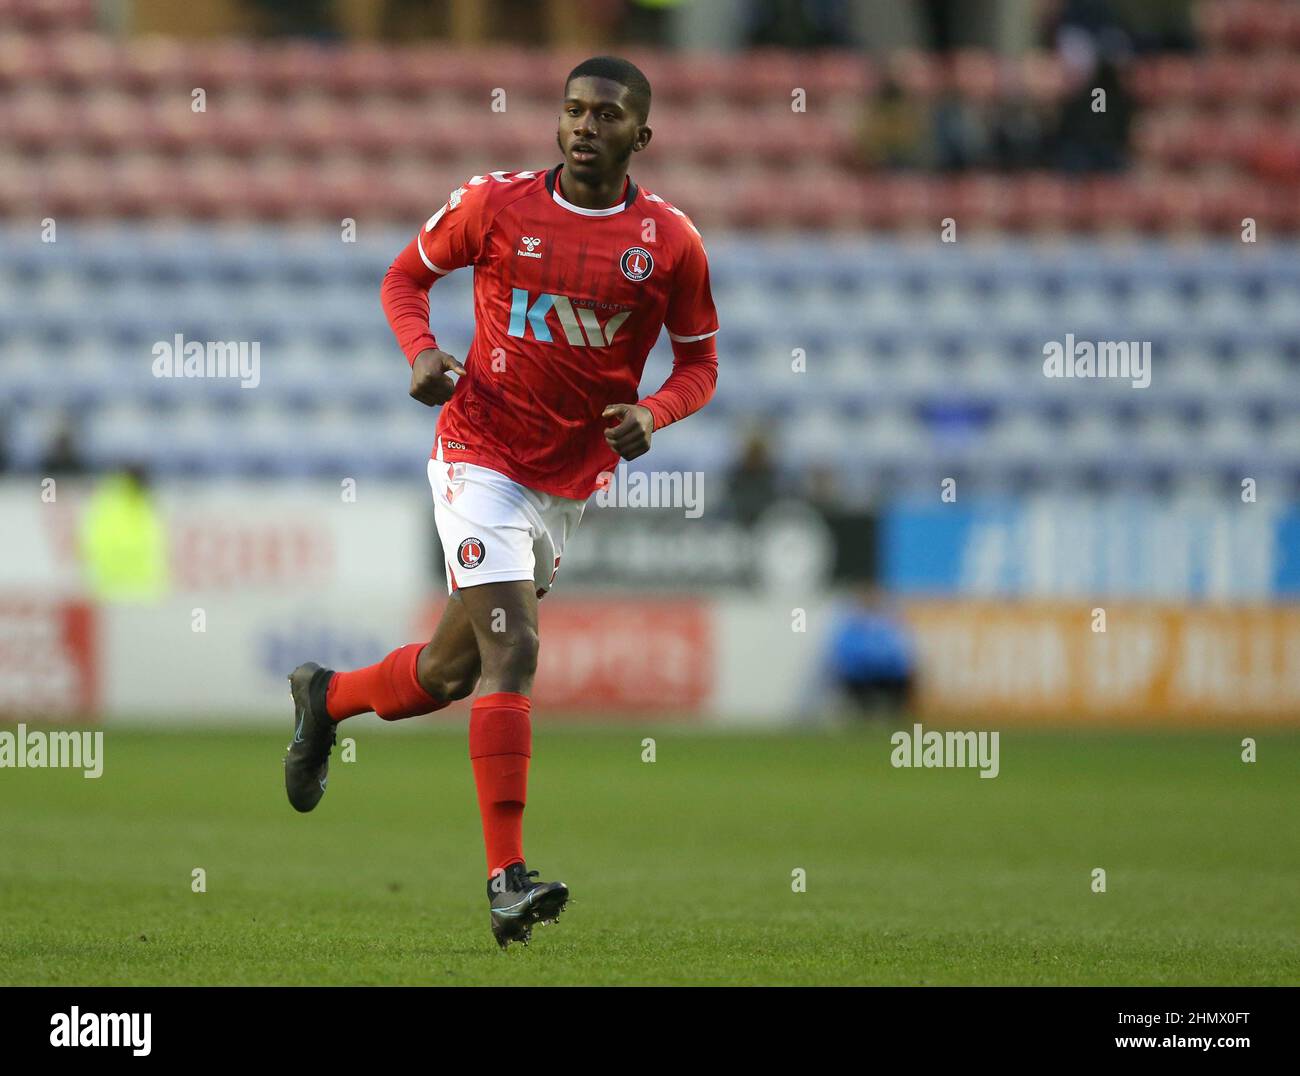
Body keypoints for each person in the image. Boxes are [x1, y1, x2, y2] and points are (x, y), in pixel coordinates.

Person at [282, 56, 720, 949]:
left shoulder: (671, 243)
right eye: (572, 110)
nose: (584, 126)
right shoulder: (496, 205)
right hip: (478, 453)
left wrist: (654, 411)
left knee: (448, 675)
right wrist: (420, 353)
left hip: (567, 483)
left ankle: (325, 698)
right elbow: (403, 280)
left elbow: (702, 362)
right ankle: (506, 879)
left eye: (607, 115)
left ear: (642, 135)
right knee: (512, 652)